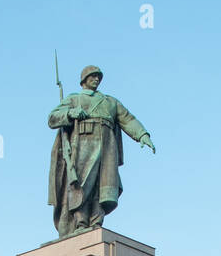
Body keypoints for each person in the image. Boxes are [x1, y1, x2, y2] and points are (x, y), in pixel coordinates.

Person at [48, 65, 155, 237]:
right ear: (84, 80)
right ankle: (81, 222)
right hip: (83, 143)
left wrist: (142, 135)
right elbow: (53, 118)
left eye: (98, 77)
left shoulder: (110, 102)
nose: (96, 79)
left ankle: (96, 222)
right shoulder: (74, 99)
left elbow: (128, 119)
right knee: (81, 184)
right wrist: (70, 113)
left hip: (107, 145)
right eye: (92, 76)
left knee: (103, 185)